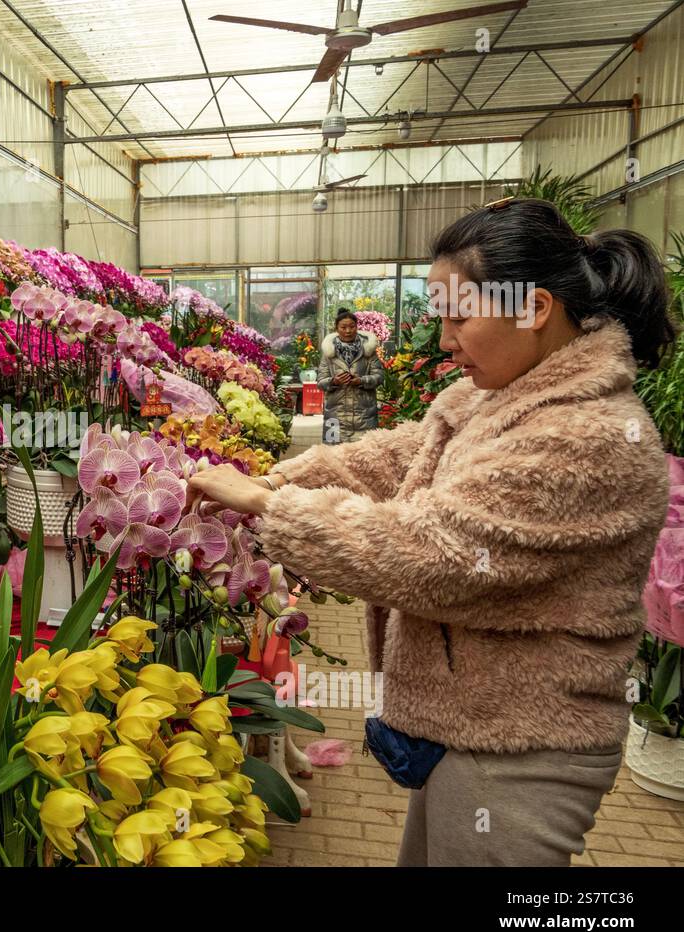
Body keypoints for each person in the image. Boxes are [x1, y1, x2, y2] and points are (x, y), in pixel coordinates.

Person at [187, 198, 675, 866]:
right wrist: (277, 483)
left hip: (520, 749)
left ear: (532, 308)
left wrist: (275, 514)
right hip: (476, 728)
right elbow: (400, 454)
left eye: (458, 315)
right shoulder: (505, 396)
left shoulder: (585, 437)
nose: (444, 339)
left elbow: (435, 553)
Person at [318, 308, 382, 443]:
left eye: (352, 327)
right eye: (343, 327)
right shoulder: (329, 353)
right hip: (334, 417)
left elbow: (379, 376)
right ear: (337, 328)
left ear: (357, 327)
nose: (348, 331)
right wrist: (333, 381)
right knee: (332, 456)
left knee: (364, 456)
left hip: (364, 417)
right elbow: (321, 382)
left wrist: (361, 381)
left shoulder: (368, 351)